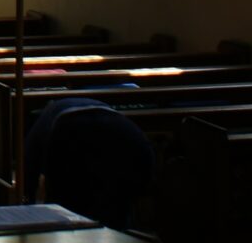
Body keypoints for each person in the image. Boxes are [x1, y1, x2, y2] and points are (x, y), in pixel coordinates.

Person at [24, 96, 155, 228]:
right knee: (117, 202)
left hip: (70, 130)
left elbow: (30, 165)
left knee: (69, 207)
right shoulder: (52, 114)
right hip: (126, 132)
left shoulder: (44, 120)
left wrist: (28, 202)